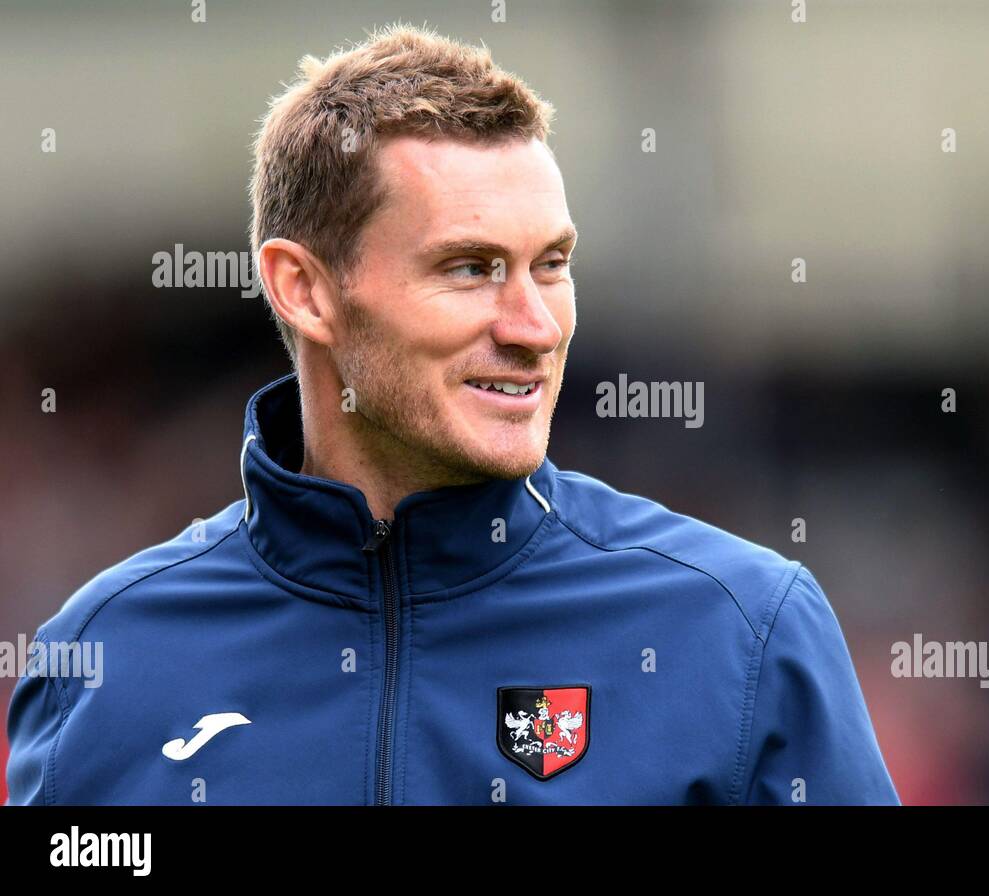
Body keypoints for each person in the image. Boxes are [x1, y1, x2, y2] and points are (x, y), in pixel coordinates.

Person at [5, 24, 897, 805]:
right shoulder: (101, 660)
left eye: (550, 264)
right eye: (470, 268)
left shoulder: (739, 632)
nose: (534, 328)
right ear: (305, 290)